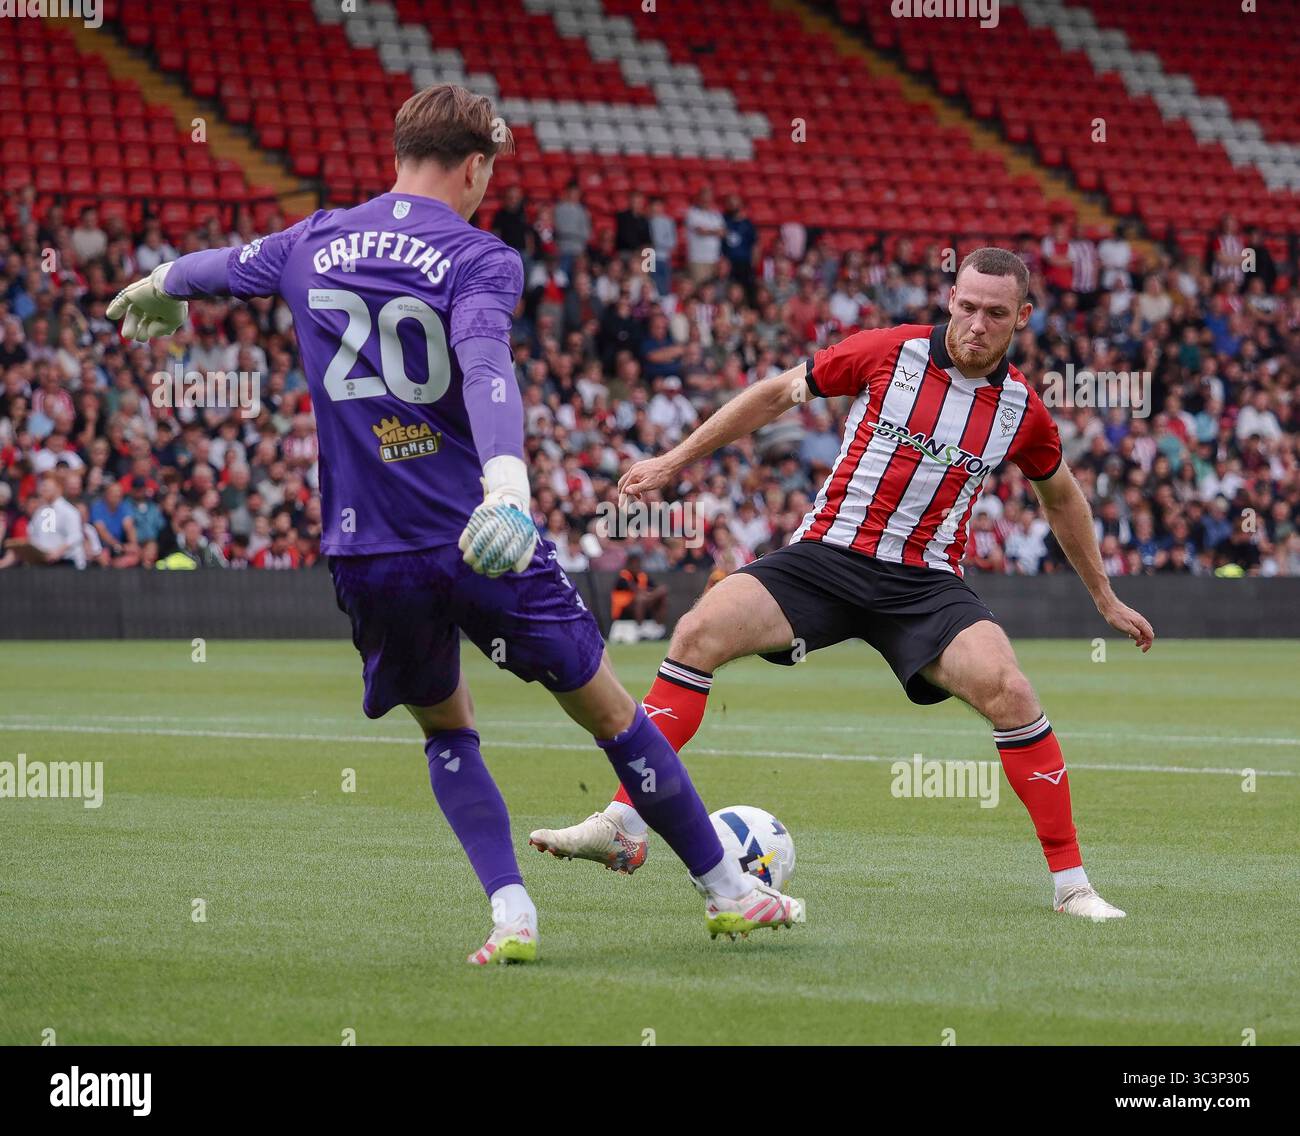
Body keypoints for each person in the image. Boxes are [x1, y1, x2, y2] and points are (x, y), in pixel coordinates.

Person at [106, 83, 803, 965]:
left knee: (446, 730)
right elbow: (485, 365)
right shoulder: (480, 256)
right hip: (482, 536)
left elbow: (217, 266)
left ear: (400, 152)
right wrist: (506, 483)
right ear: (475, 167)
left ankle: (511, 914)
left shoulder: (311, 240)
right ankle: (730, 892)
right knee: (614, 719)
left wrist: (159, 282)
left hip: (368, 550)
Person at [530, 248, 1155, 921]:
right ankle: (625, 826)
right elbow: (776, 394)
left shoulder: (1020, 411)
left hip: (925, 584)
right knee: (698, 629)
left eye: (995, 314)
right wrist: (675, 461)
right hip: (828, 557)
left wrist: (1105, 596)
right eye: (967, 306)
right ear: (951, 299)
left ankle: (1072, 888)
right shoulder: (888, 352)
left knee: (1012, 691)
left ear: (1022, 318)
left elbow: (1061, 498)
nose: (977, 323)